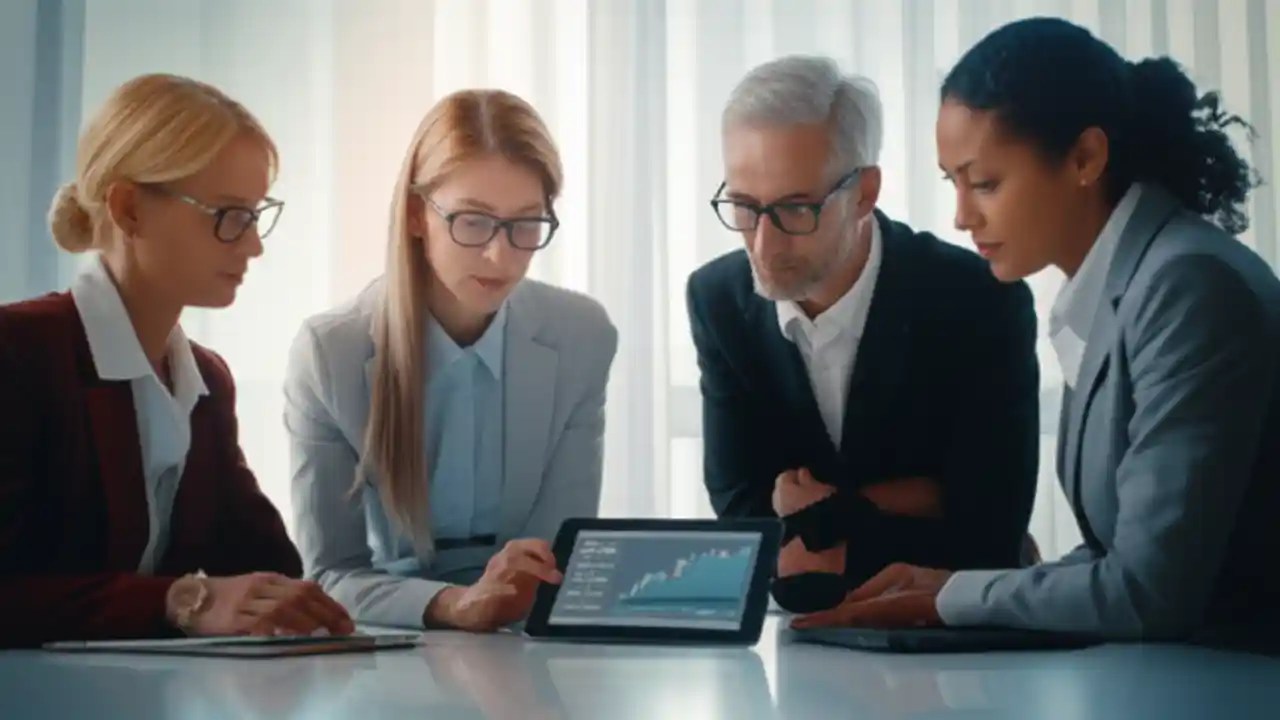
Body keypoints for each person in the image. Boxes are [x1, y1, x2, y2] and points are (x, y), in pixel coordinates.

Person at [794, 17, 1280, 641]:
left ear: (1085, 158)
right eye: (954, 183)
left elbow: (1146, 590)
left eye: (985, 183)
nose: (962, 216)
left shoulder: (1186, 290)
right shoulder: (1122, 287)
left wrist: (952, 596)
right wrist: (948, 587)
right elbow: (1116, 556)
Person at [0, 73, 352, 648]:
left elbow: (270, 570)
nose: (253, 244)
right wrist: (180, 599)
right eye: (228, 215)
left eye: (256, 214)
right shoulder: (18, 354)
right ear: (129, 209)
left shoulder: (205, 381)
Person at [686, 56, 1040, 611]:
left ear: (864, 193)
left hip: (958, 651)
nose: (763, 246)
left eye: (795, 209)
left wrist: (828, 513)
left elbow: (987, 532)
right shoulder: (718, 300)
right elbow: (742, 518)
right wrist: (914, 498)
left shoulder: (978, 299)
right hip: (797, 644)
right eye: (744, 207)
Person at [287, 89, 618, 632]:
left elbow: (558, 557)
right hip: (392, 635)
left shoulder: (581, 336)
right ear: (418, 216)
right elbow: (331, 574)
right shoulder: (331, 352)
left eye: (526, 224)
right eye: (473, 221)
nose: (500, 255)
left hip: (526, 638)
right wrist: (453, 605)